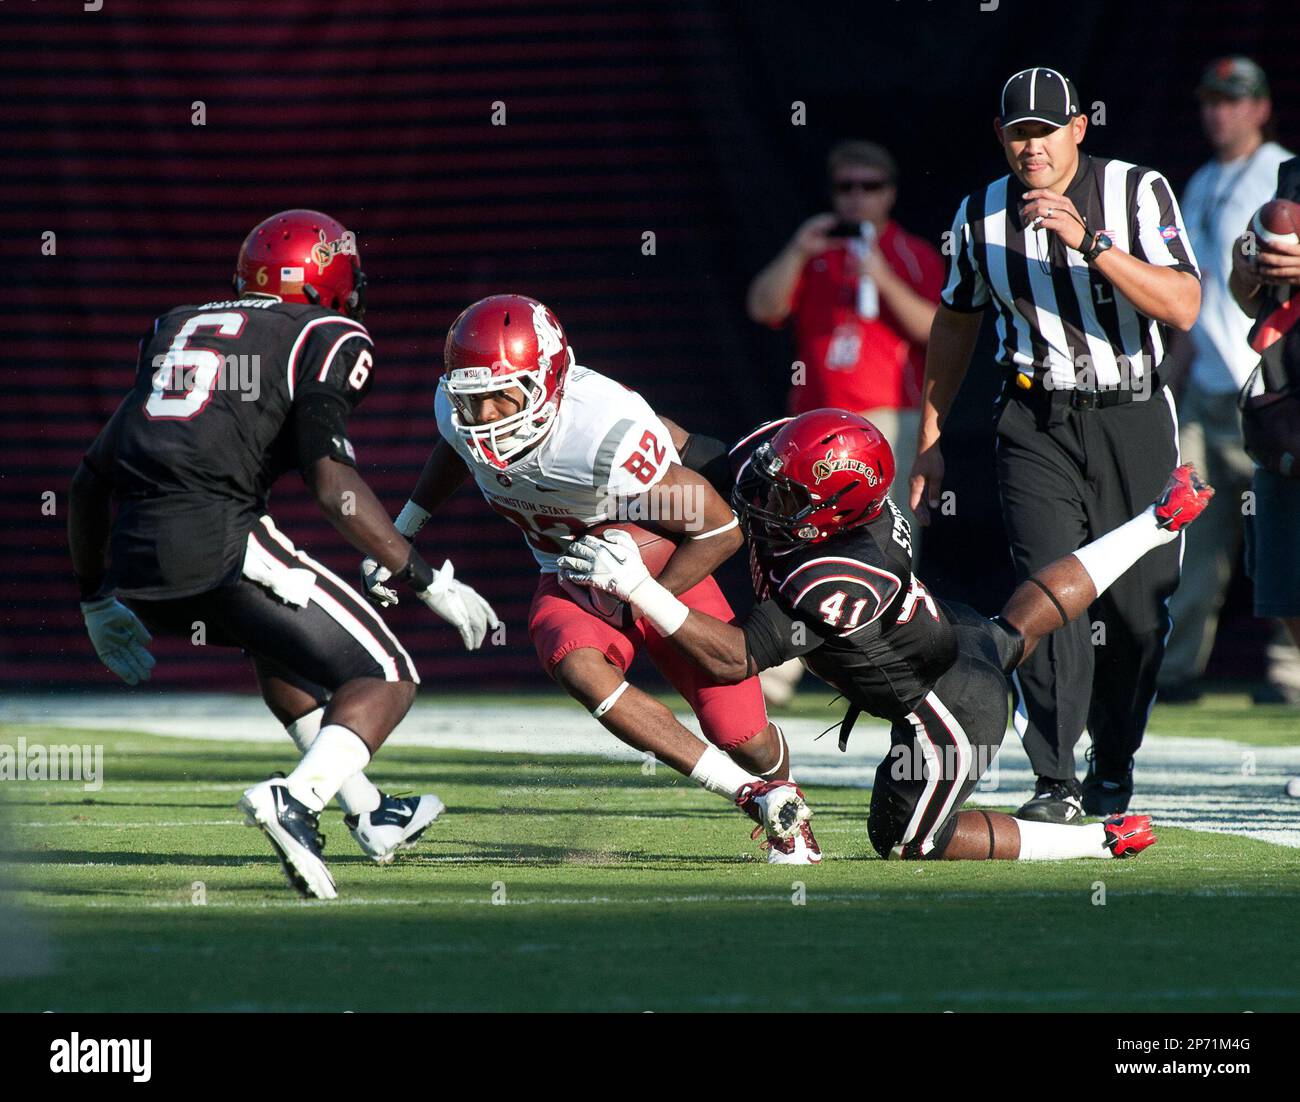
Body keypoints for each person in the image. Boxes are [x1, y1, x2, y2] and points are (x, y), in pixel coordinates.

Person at [68, 210, 499, 899]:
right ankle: (295, 803)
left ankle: (369, 810)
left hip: (136, 553)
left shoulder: (175, 328)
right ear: (324, 279)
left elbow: (89, 481)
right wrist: (422, 579)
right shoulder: (324, 333)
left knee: (280, 651)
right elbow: (333, 486)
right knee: (387, 674)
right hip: (221, 536)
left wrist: (94, 598)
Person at [558, 410, 1213, 861]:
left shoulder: (838, 575)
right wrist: (597, 418)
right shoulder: (804, 484)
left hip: (945, 707)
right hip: (945, 631)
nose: (761, 494)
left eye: (785, 497)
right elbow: (678, 440)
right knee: (1015, 629)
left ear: (830, 513)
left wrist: (638, 588)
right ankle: (1158, 520)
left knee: (907, 843)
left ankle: (1100, 841)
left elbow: (732, 660)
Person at [361, 294, 821, 863]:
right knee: (575, 659)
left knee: (742, 734)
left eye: (503, 398)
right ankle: (751, 797)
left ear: (550, 380)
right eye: (472, 402)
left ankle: (787, 798)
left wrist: (642, 593)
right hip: (570, 570)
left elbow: (720, 529)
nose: (485, 420)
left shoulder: (603, 437)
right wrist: (405, 530)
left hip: (655, 565)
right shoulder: (458, 412)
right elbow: (457, 448)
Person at [909, 67, 1202, 822]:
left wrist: (1090, 239)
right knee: (1046, 598)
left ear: (1078, 128)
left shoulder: (1137, 192)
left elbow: (1184, 304)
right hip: (1033, 420)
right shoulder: (979, 214)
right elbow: (955, 321)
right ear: (1001, 138)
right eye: (1017, 132)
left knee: (1137, 612)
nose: (1031, 145)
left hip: (1132, 417)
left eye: (1045, 130)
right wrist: (931, 439)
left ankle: (1114, 754)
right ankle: (1055, 780)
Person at [747, 139, 944, 705]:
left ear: (890, 194)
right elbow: (763, 306)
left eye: (870, 187)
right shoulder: (815, 250)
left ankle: (885, 657)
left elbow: (936, 330)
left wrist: (879, 275)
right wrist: (795, 249)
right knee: (787, 534)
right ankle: (775, 669)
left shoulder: (910, 253)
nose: (857, 199)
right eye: (846, 188)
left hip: (886, 421)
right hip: (810, 423)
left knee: (887, 539)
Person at [1161, 57, 1295, 703]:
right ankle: (1177, 669)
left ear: (1261, 107)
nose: (1221, 111)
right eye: (1212, 100)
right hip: (1209, 389)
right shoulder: (1201, 180)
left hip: (1272, 386)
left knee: (1281, 534)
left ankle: (1286, 673)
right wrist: (1169, 380)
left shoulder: (1284, 173)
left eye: (1234, 100)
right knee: (1186, 535)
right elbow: (1199, 291)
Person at [1229, 154, 1300, 794]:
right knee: (1287, 588)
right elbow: (1248, 297)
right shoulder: (1290, 179)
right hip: (1287, 406)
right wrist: (1246, 268)